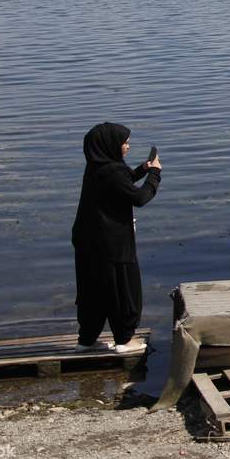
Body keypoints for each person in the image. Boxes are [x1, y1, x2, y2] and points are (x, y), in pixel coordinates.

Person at [70, 122, 161, 355]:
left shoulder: (97, 167)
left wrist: (142, 169)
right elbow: (139, 198)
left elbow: (121, 184)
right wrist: (154, 174)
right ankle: (124, 339)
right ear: (110, 145)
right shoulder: (113, 171)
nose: (128, 146)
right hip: (112, 243)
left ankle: (86, 340)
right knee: (122, 288)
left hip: (87, 241)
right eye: (125, 143)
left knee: (92, 290)